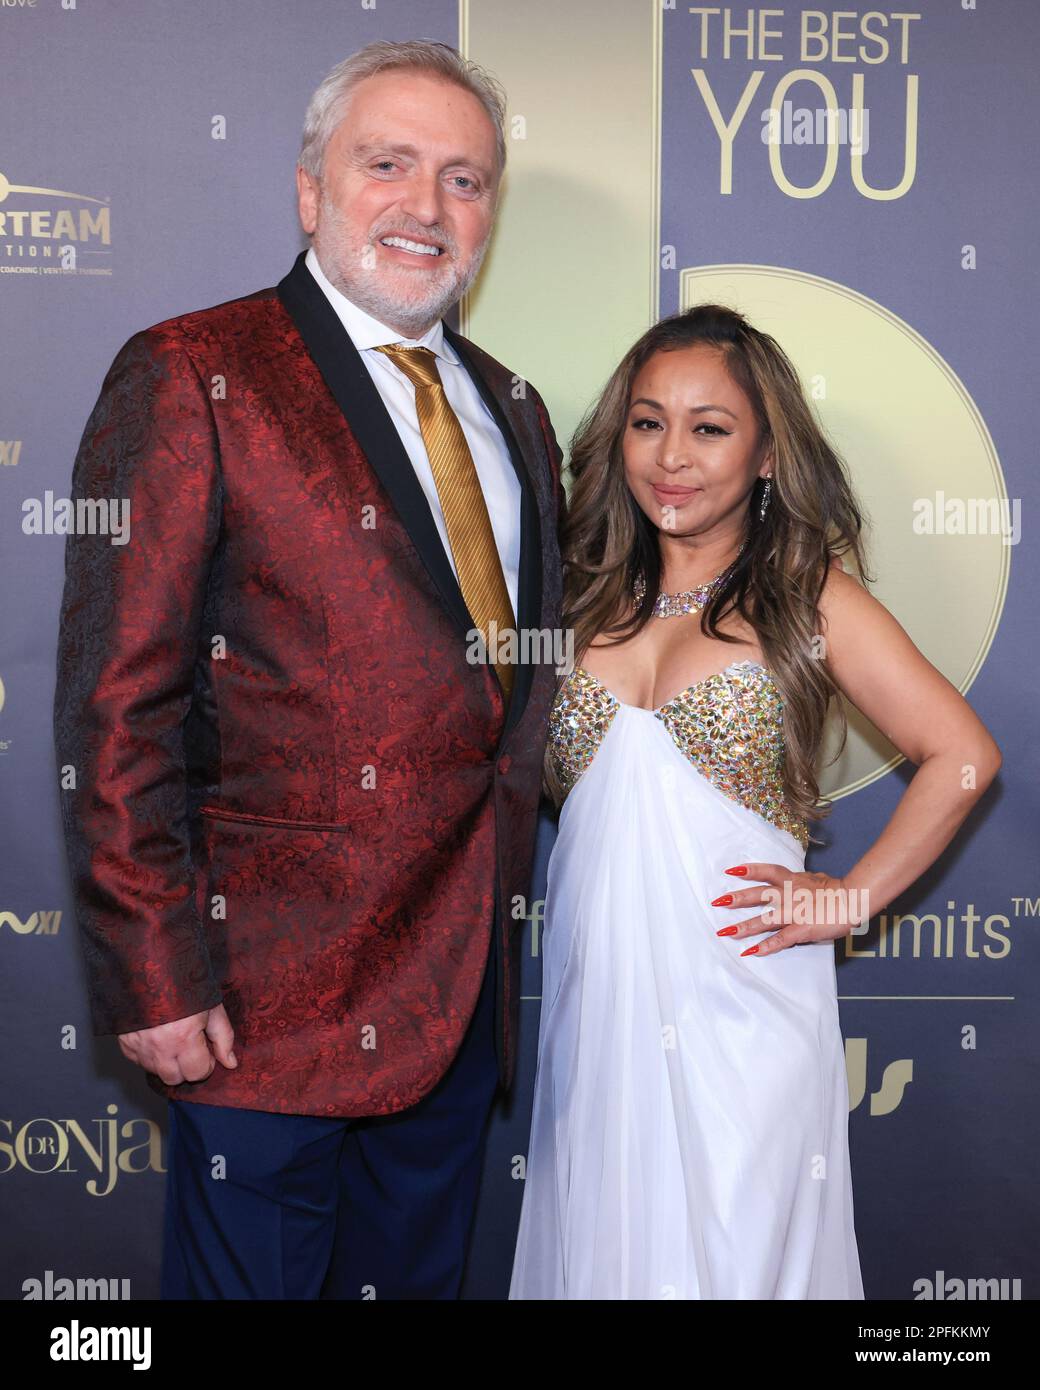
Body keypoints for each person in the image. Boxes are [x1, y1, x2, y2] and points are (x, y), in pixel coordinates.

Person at [53, 40, 566, 1300]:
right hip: (263, 1006)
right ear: (307, 189)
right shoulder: (191, 371)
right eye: (385, 164)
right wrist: (157, 973)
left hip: (457, 1004)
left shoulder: (517, 408)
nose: (426, 207)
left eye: (464, 180)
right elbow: (118, 702)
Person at [508, 305, 1002, 1300]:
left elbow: (960, 754)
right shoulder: (574, 598)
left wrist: (849, 897)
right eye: (647, 422)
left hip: (742, 1003)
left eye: (709, 427)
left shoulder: (808, 597)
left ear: (766, 452)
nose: (670, 457)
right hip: (595, 1003)